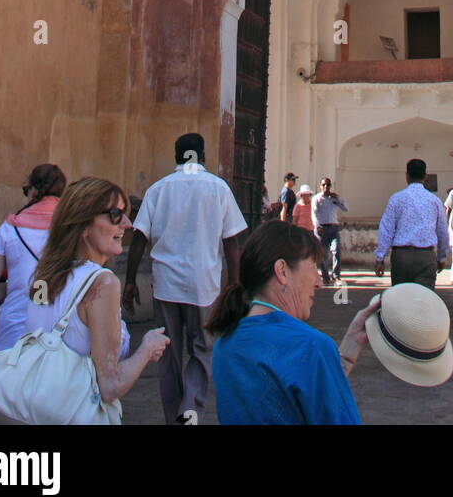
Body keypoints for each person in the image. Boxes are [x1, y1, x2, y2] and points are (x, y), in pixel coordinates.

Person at [124, 132, 247, 425]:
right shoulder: (218, 188)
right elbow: (231, 241)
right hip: (203, 285)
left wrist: (129, 280)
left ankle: (172, 417)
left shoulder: (158, 189)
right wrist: (235, 282)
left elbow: (139, 238)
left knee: (167, 353)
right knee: (201, 350)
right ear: (203, 156)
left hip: (166, 284)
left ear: (176, 156)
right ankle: (189, 411)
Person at [23, 177, 169, 417]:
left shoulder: (44, 274)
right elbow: (110, 386)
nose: (127, 223)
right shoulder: (103, 283)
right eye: (115, 215)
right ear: (83, 225)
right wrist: (147, 348)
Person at [209, 221, 378, 424]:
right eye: (312, 267)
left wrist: (345, 353)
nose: (318, 281)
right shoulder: (311, 347)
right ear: (282, 271)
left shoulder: (225, 345)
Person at [0, 163, 66, 351]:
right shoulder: (73, 230)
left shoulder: (9, 228)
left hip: (11, 332)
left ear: (32, 191)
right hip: (58, 333)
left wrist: (15, 287)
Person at [375, 158, 451, 288]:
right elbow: (442, 231)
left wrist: (380, 257)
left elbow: (386, 230)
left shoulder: (397, 199)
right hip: (426, 257)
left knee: (402, 297)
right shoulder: (434, 200)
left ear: (407, 176)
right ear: (425, 176)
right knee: (423, 300)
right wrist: (442, 257)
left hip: (401, 257)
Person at [311, 176, 349, 284]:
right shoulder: (316, 198)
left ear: (330, 186)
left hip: (333, 227)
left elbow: (346, 208)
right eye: (323, 185)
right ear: (320, 186)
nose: (326, 187)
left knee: (336, 250)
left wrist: (338, 198)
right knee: (323, 254)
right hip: (321, 228)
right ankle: (325, 276)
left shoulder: (334, 198)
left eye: (328, 185)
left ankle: (336, 275)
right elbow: (314, 214)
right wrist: (317, 226)